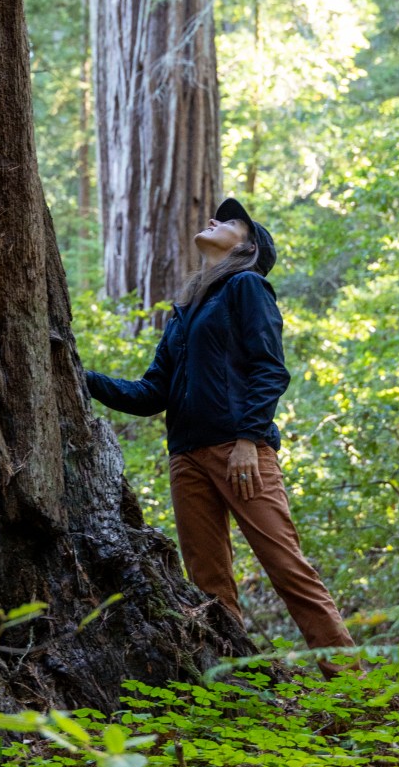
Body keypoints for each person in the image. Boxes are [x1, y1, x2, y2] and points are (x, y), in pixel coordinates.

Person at [84, 196, 353, 655]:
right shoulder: (184, 312)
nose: (214, 220)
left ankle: (356, 691)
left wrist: (249, 439)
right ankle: (235, 688)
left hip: (238, 450)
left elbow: (271, 368)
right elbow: (151, 394)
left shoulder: (247, 286)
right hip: (186, 458)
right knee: (208, 581)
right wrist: (78, 375)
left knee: (286, 566)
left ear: (247, 247)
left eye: (230, 222)